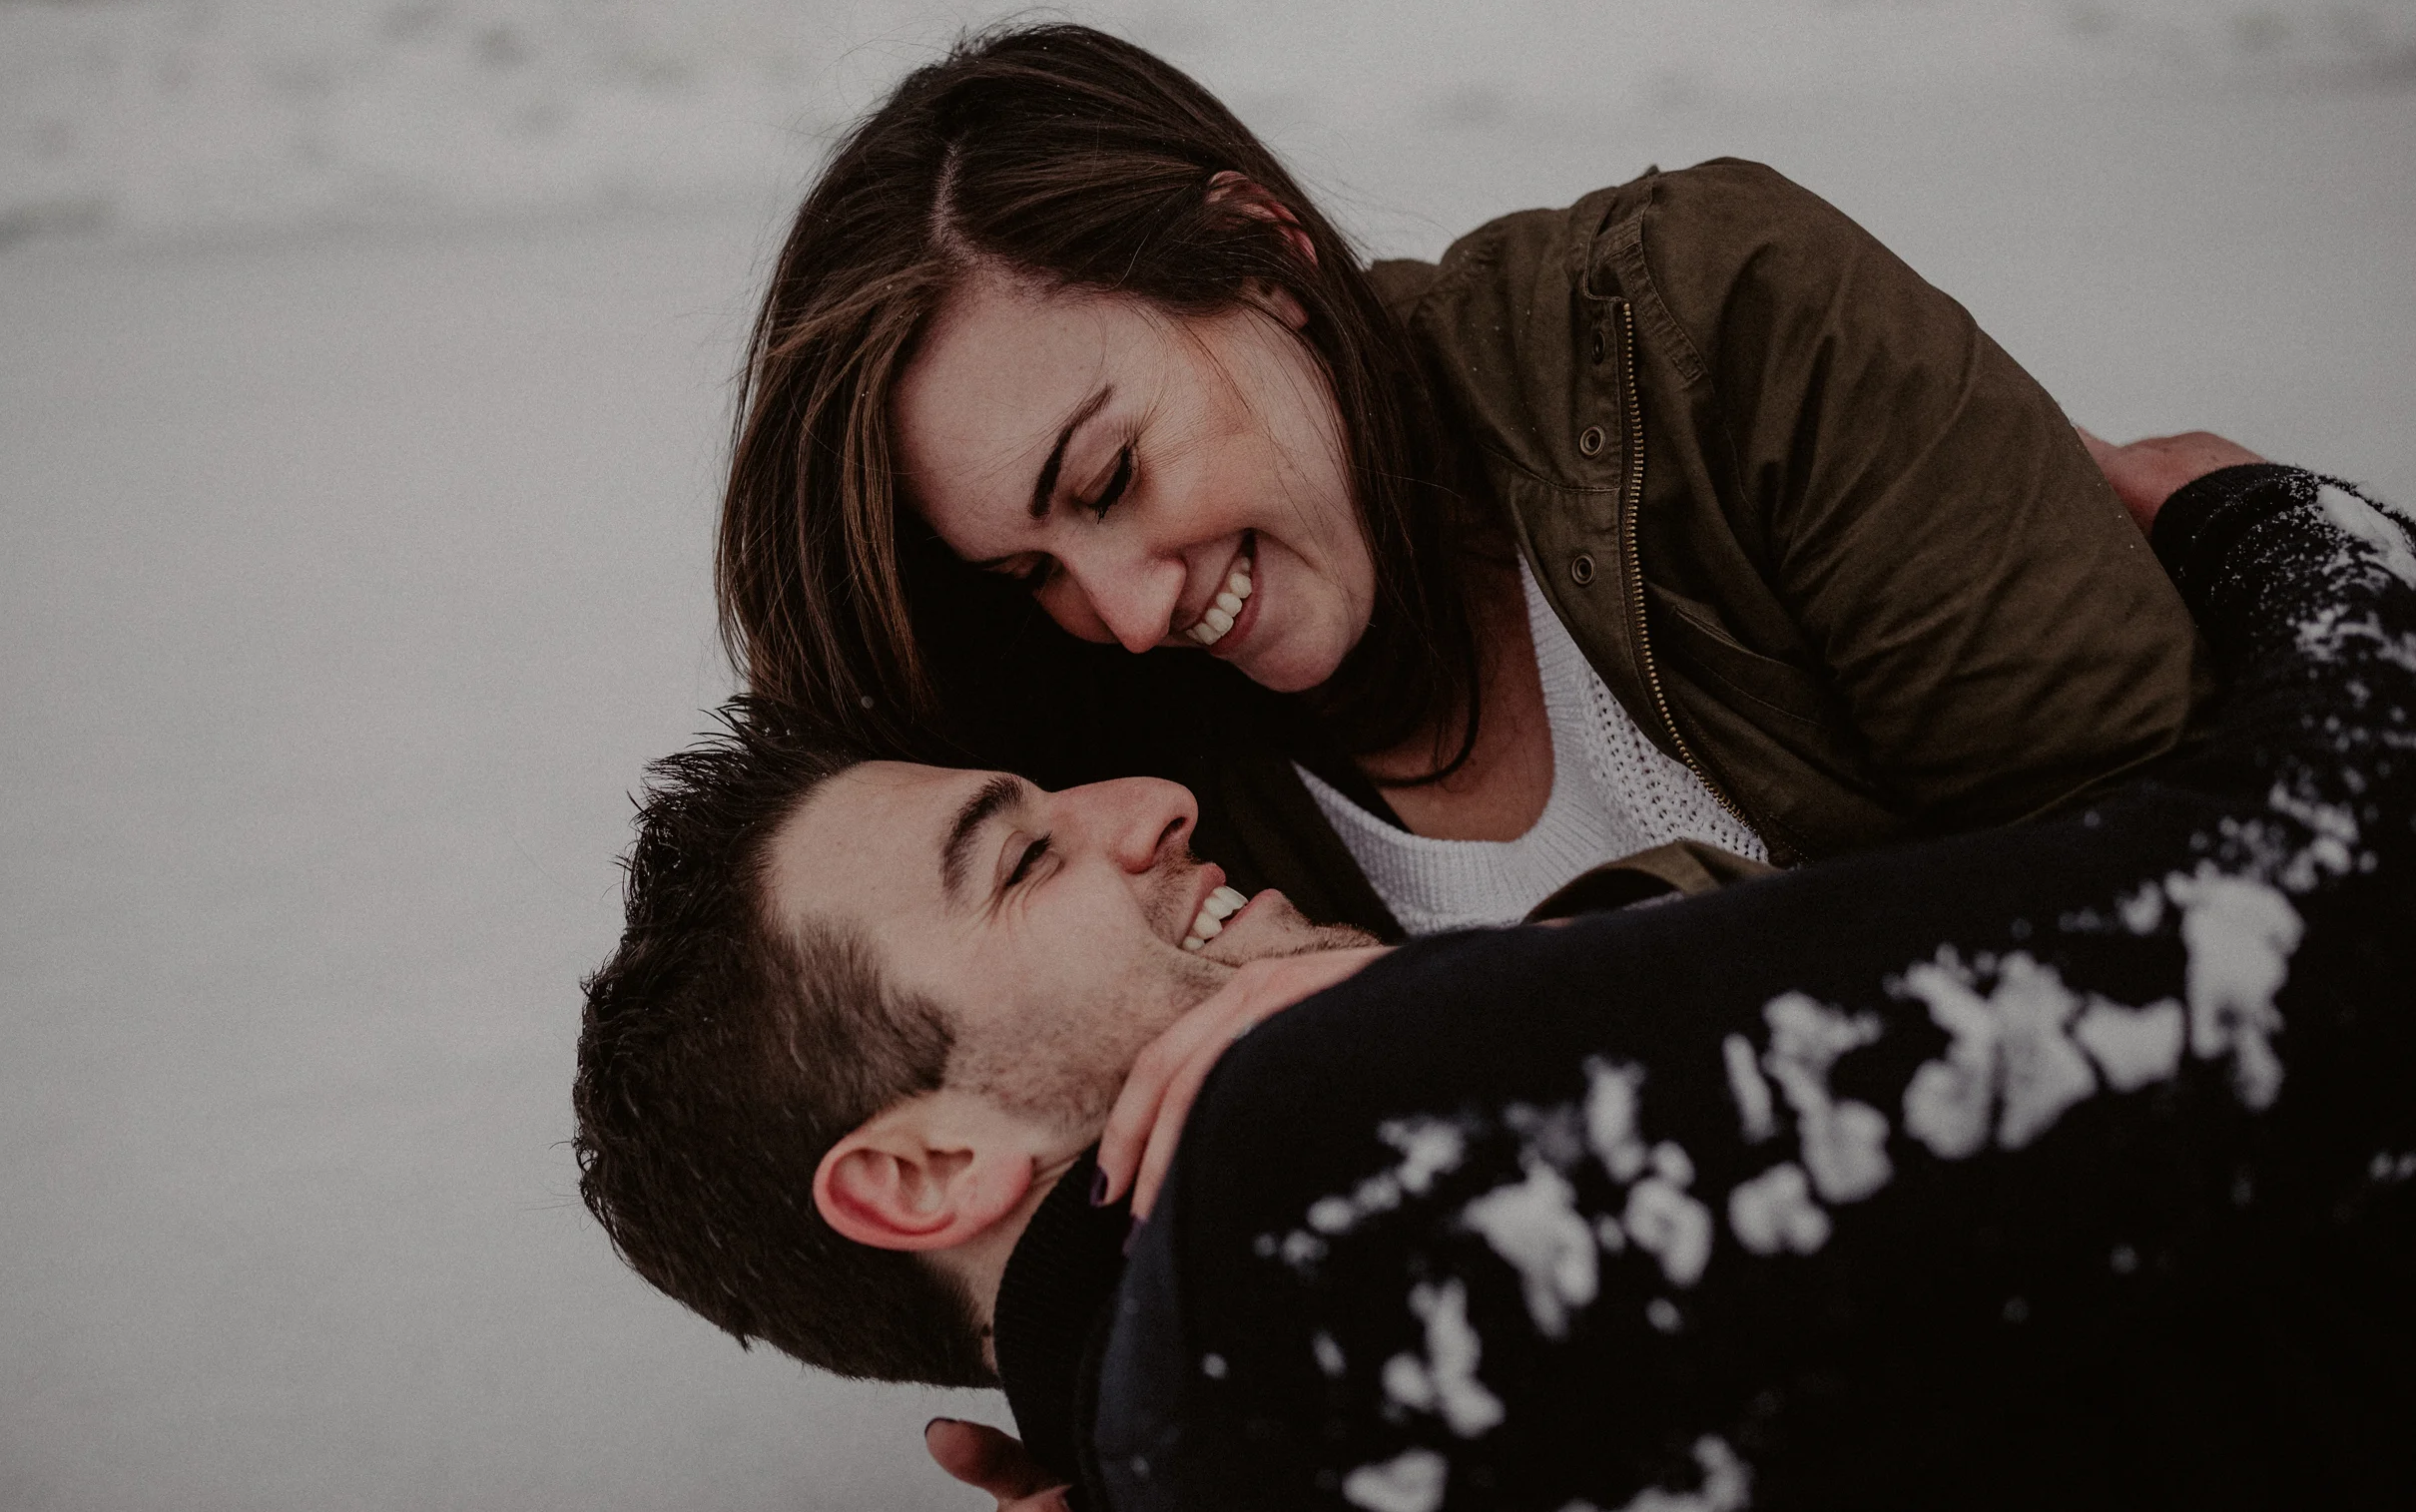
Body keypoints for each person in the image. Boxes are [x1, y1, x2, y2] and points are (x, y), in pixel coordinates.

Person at [576, 463, 2416, 1510]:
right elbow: (2336, 899)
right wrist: (2259, 520)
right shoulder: (1307, 1161)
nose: (1148, 803)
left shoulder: (1183, 1442)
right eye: (1022, 856)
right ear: (921, 1168)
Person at [716, 21, 2213, 956]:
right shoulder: (1125, 779)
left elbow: (2173, 910)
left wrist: (1414, 1035)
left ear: (1266, 255)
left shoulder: (1719, 328)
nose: (1125, 613)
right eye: (1029, 570)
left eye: (1109, 478)